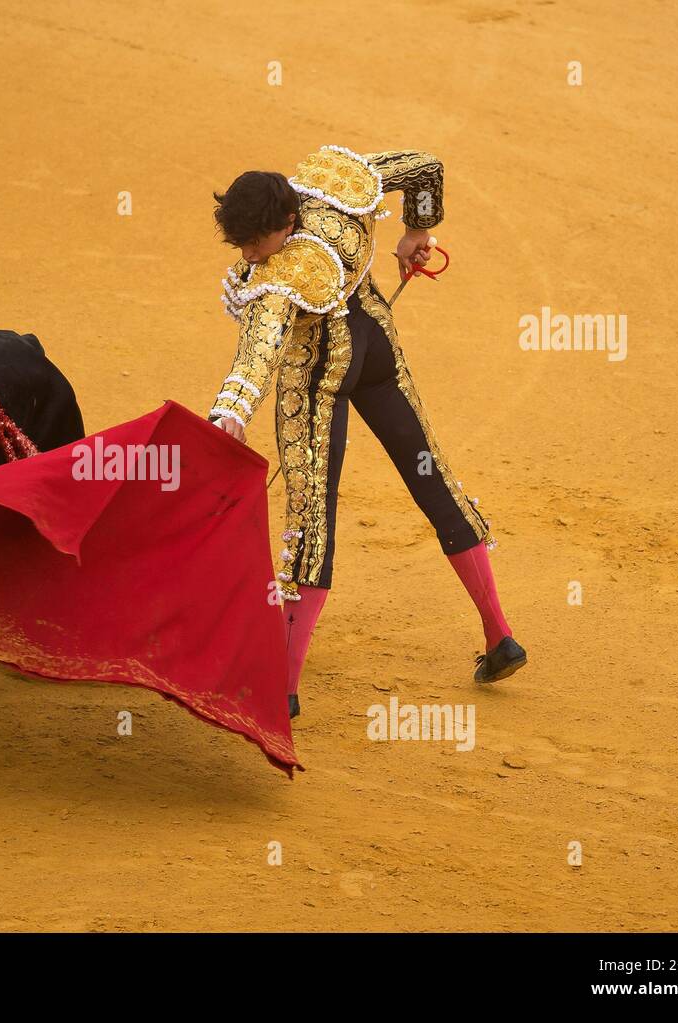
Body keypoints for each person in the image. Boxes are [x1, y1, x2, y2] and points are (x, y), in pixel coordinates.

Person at [208, 145, 526, 717]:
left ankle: (280, 687)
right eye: (242, 245)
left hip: (317, 376)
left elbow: (255, 357)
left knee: (311, 521)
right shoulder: (334, 183)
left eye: (255, 242)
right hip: (374, 347)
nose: (251, 256)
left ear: (283, 223)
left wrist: (229, 411)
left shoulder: (279, 279)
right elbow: (424, 167)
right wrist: (416, 231)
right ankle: (499, 635)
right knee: (432, 478)